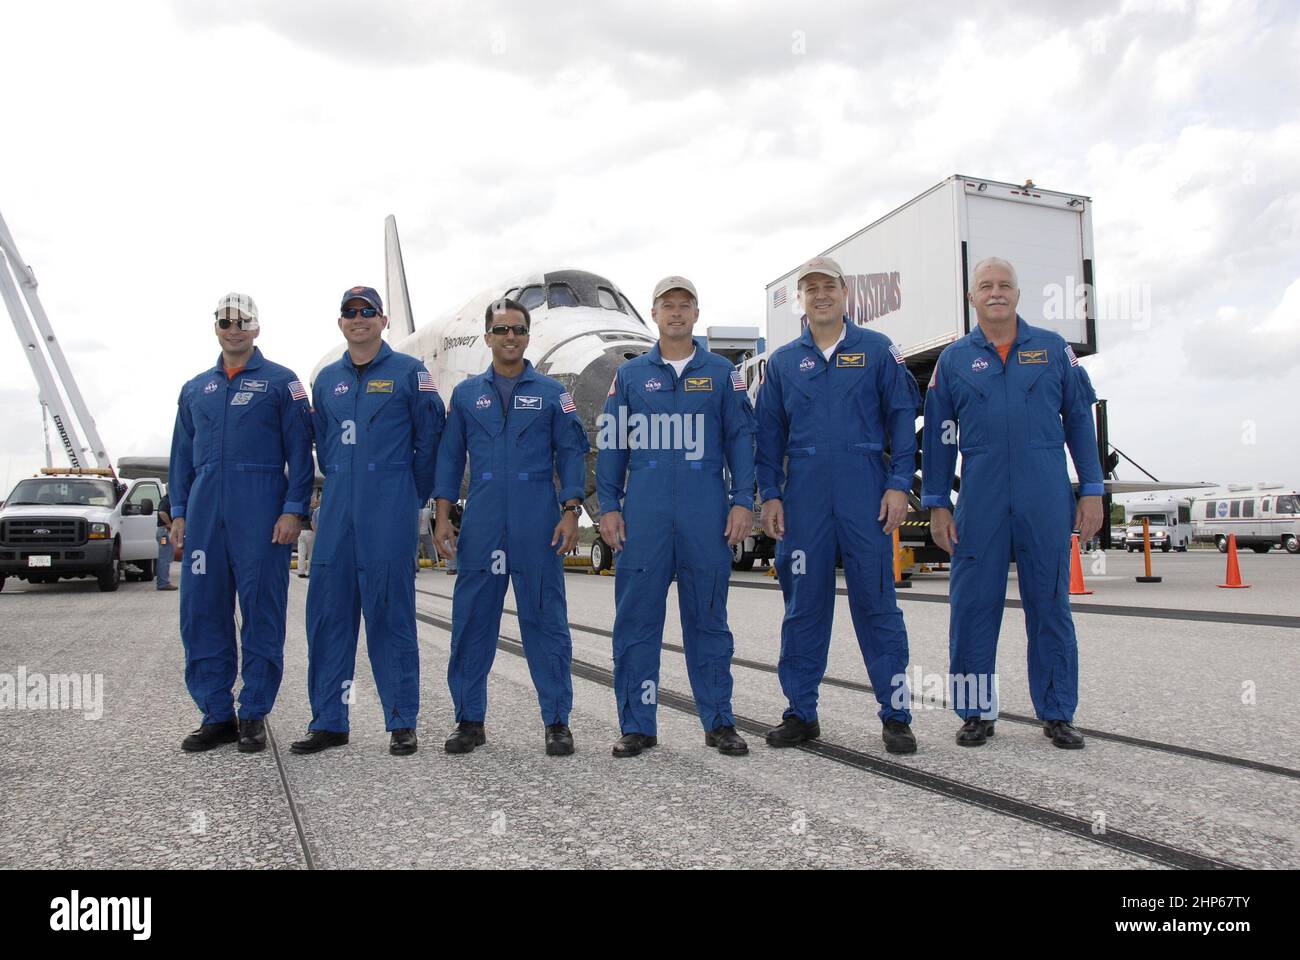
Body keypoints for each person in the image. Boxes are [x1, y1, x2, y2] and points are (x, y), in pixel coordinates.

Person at [921, 257, 1104, 749]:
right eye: (986, 286)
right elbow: (939, 439)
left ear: (1018, 294)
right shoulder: (954, 360)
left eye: (1004, 285)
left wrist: (1091, 490)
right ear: (972, 298)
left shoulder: (1052, 350)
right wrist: (938, 502)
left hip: (1044, 488)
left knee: (1049, 602)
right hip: (980, 493)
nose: (995, 292)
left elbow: (1080, 425)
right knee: (972, 605)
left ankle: (1057, 712)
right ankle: (975, 712)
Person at [755, 257, 920, 754]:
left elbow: (901, 419)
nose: (820, 294)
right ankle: (801, 713)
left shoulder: (876, 350)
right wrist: (771, 495)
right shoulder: (783, 363)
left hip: (864, 491)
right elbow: (767, 437)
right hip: (804, 497)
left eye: (828, 286)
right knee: (803, 607)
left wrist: (897, 484)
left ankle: (896, 717)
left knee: (877, 604)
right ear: (801, 300)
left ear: (845, 293)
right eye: (810, 289)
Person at [597, 276, 755, 758]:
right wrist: (608, 505)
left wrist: (743, 500)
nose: (677, 313)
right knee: (636, 622)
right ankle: (638, 725)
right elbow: (611, 442)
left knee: (708, 619)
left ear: (696, 313)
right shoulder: (628, 376)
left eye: (685, 306)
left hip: (704, 508)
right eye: (668, 306)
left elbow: (741, 440)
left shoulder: (724, 374)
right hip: (644, 511)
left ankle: (719, 721)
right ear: (654, 313)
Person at [291, 286, 445, 757]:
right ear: (340, 323)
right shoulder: (326, 381)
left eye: (367, 312)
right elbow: (318, 443)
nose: (358, 319)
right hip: (337, 509)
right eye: (349, 313)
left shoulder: (410, 374)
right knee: (327, 619)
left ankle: (402, 721)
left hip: (389, 505)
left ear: (383, 320)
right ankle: (329, 721)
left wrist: (407, 497)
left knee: (389, 616)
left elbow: (431, 440)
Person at [434, 298, 588, 756]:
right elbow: (449, 456)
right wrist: (443, 515)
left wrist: (570, 509)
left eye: (518, 330)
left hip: (537, 518)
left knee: (546, 622)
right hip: (481, 519)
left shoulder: (552, 394)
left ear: (527, 336)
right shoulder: (465, 396)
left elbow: (572, 452)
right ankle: (469, 719)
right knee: (471, 623)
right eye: (501, 330)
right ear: (487, 337)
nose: (510, 338)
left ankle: (557, 722)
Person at [169, 292, 314, 753]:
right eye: (225, 321)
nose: (233, 328)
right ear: (216, 327)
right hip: (206, 514)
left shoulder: (282, 383)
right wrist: (177, 511)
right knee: (201, 614)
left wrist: (294, 509)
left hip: (262, 514)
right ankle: (216, 715)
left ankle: (253, 713)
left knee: (261, 612)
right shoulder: (195, 389)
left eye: (242, 321)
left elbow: (300, 453)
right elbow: (180, 459)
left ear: (256, 328)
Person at [155, 487, 177, 591]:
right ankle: (163, 583)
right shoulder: (166, 500)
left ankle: (163, 582)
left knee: (165, 558)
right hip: (164, 533)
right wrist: (170, 524)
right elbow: (162, 513)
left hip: (163, 532)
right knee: (164, 558)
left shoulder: (167, 499)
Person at [297, 490, 320, 579]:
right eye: (315, 501)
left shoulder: (302, 510)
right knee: (311, 554)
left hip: (301, 532)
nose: (316, 503)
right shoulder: (312, 511)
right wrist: (316, 532)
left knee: (301, 553)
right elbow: (312, 523)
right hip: (310, 533)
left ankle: (301, 572)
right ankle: (310, 571)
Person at [417, 499, 435, 573]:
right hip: (425, 532)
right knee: (430, 546)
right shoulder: (428, 510)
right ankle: (434, 560)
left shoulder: (416, 510)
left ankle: (416, 567)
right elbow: (431, 517)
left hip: (417, 533)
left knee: (415, 550)